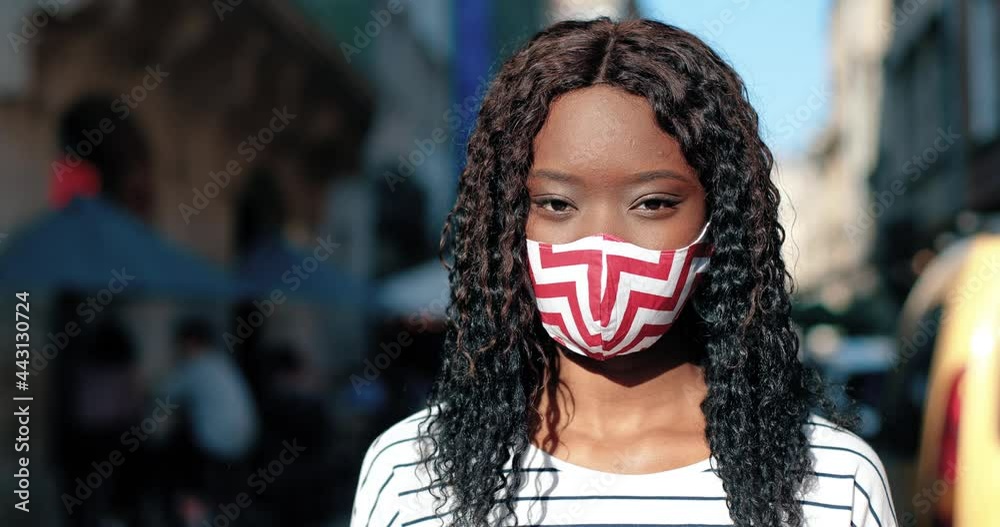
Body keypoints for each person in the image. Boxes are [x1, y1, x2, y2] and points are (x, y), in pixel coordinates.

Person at [349, 18, 898, 527]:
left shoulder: (832, 481)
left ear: (720, 223)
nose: (602, 245)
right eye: (557, 205)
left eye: (654, 203)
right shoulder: (411, 476)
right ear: (505, 226)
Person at [157, 317, 259, 512]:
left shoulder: (196, 366)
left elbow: (165, 392)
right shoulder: (222, 363)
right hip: (243, 444)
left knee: (178, 470)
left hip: (216, 446)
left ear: (190, 342)